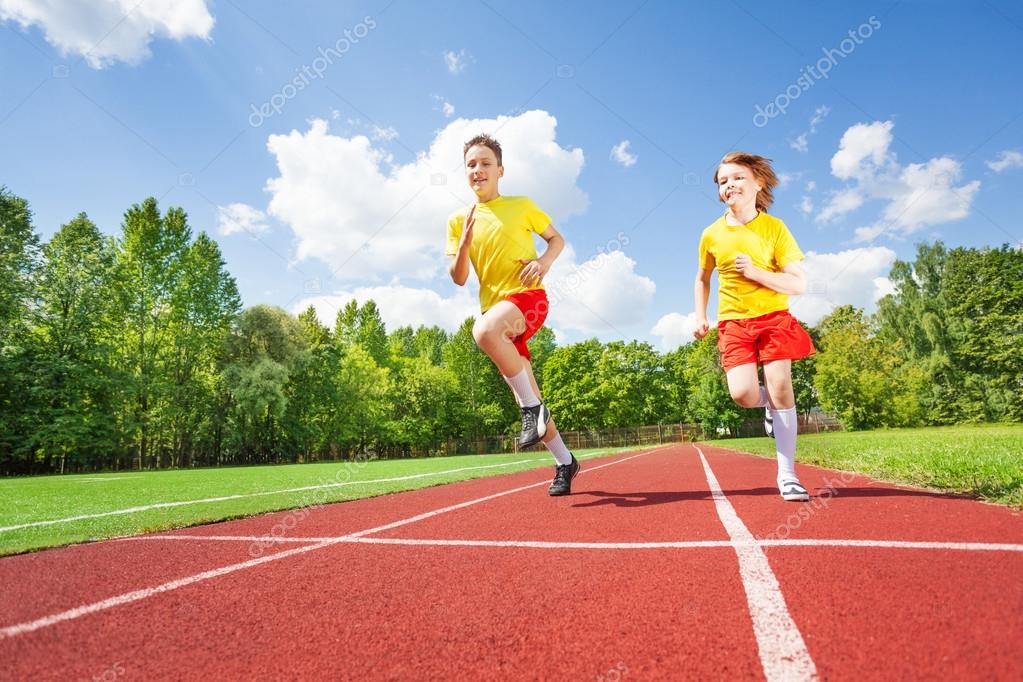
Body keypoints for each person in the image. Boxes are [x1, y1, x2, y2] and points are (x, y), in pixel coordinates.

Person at [447, 133, 580, 496]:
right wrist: (462, 246)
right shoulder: (459, 219)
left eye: (485, 163)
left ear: (500, 170)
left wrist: (543, 263)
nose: (478, 170)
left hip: (527, 299)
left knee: (483, 332)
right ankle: (566, 462)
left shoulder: (521, 205)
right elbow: (459, 278)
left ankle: (533, 410)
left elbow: (556, 239)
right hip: (496, 315)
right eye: (471, 164)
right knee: (529, 402)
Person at [693, 151, 816, 501]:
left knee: (780, 387)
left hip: (774, 318)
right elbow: (702, 278)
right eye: (723, 181)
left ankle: (788, 473)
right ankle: (766, 407)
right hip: (733, 323)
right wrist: (701, 315)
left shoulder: (775, 228)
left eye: (737, 177)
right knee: (743, 394)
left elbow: (798, 284)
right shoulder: (711, 234)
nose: (729, 185)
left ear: (758, 183)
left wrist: (757, 273)